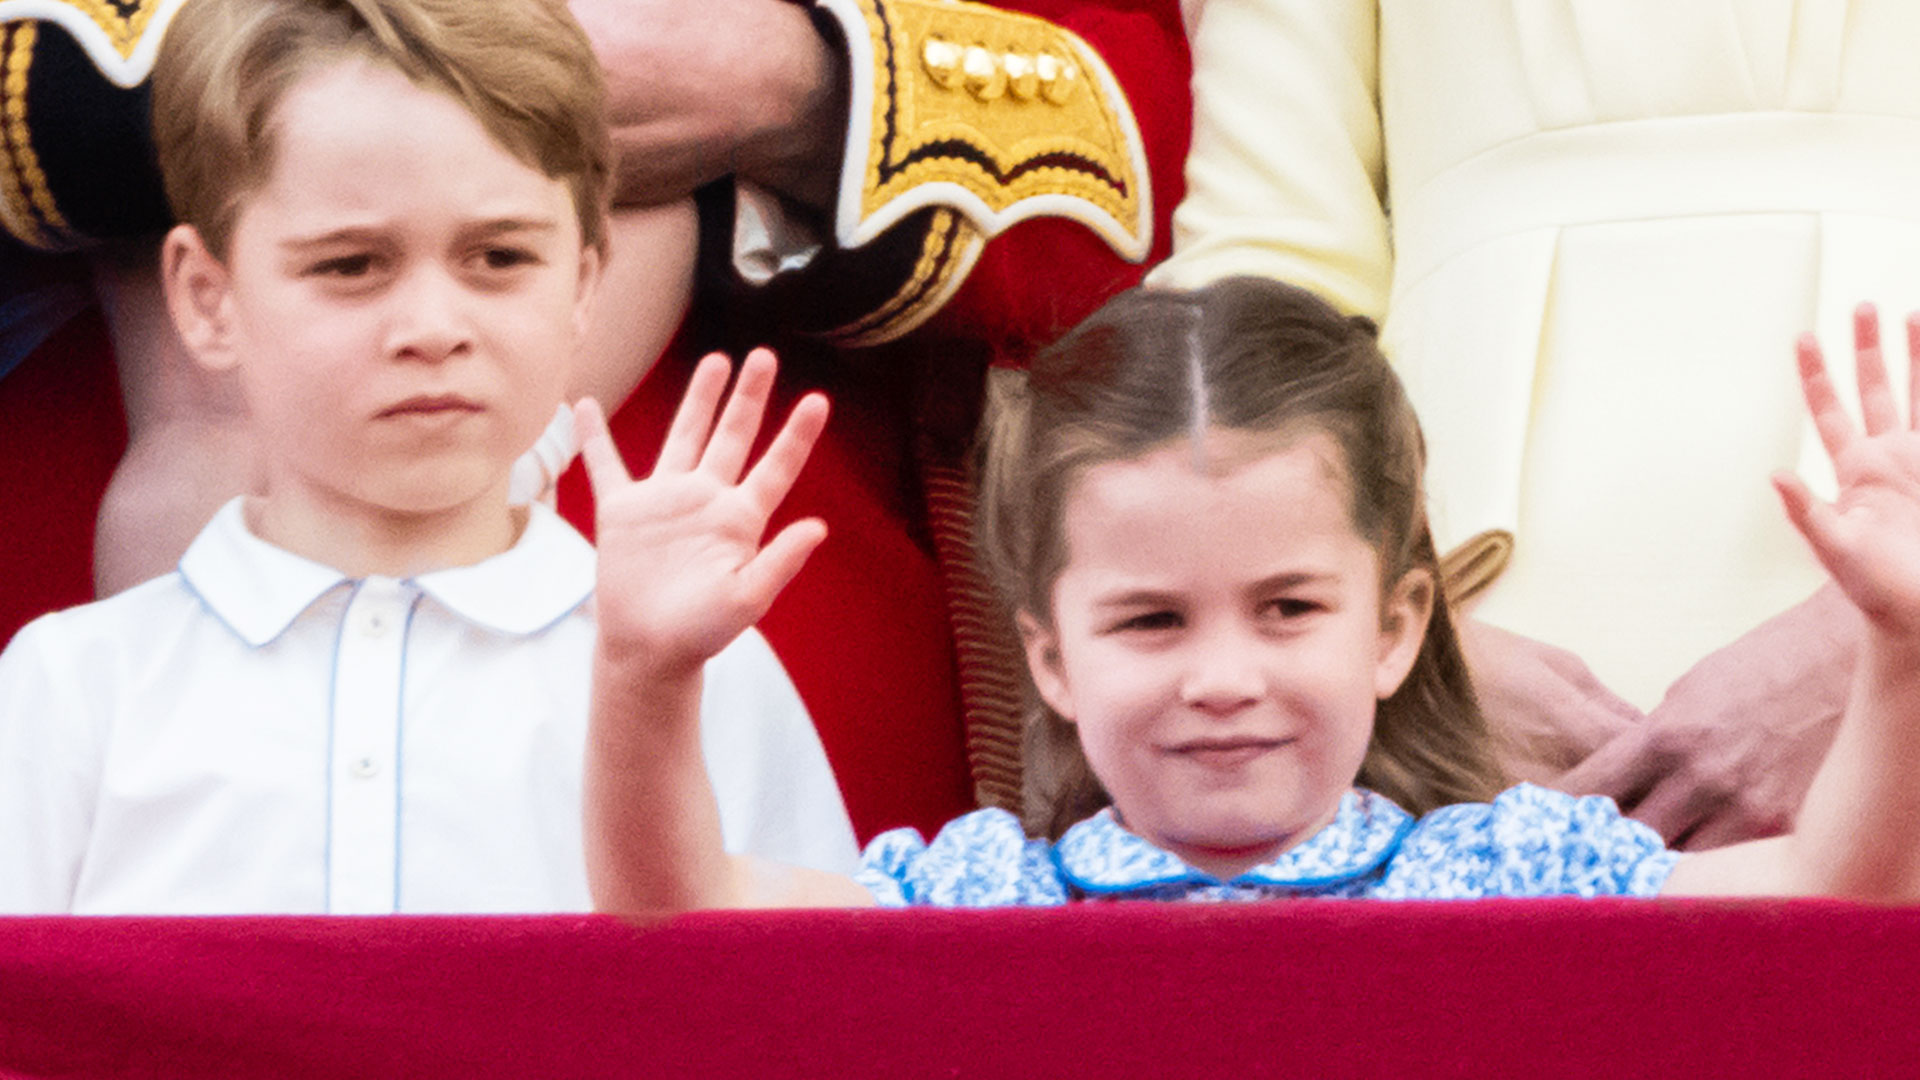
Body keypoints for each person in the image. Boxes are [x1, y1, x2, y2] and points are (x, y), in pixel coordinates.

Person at [584, 277, 1920, 909]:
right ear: (1050, 657)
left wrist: (1901, 655)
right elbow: (680, 906)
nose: (1224, 675)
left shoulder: (1512, 873)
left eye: (1288, 609)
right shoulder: (987, 903)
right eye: (1151, 619)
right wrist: (645, 676)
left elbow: (1836, 889)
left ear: (1396, 628)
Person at [0, 0, 857, 914]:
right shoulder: (70, 687)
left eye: (497, 256)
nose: (433, 330)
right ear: (209, 299)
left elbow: (816, 1022)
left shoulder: (707, 670)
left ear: (584, 284)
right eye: (351, 265)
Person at [1140, 0, 1920, 844]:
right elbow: (1259, 289)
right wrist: (1403, 660)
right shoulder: (1411, 660)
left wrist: (1880, 657)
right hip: (1453, 642)